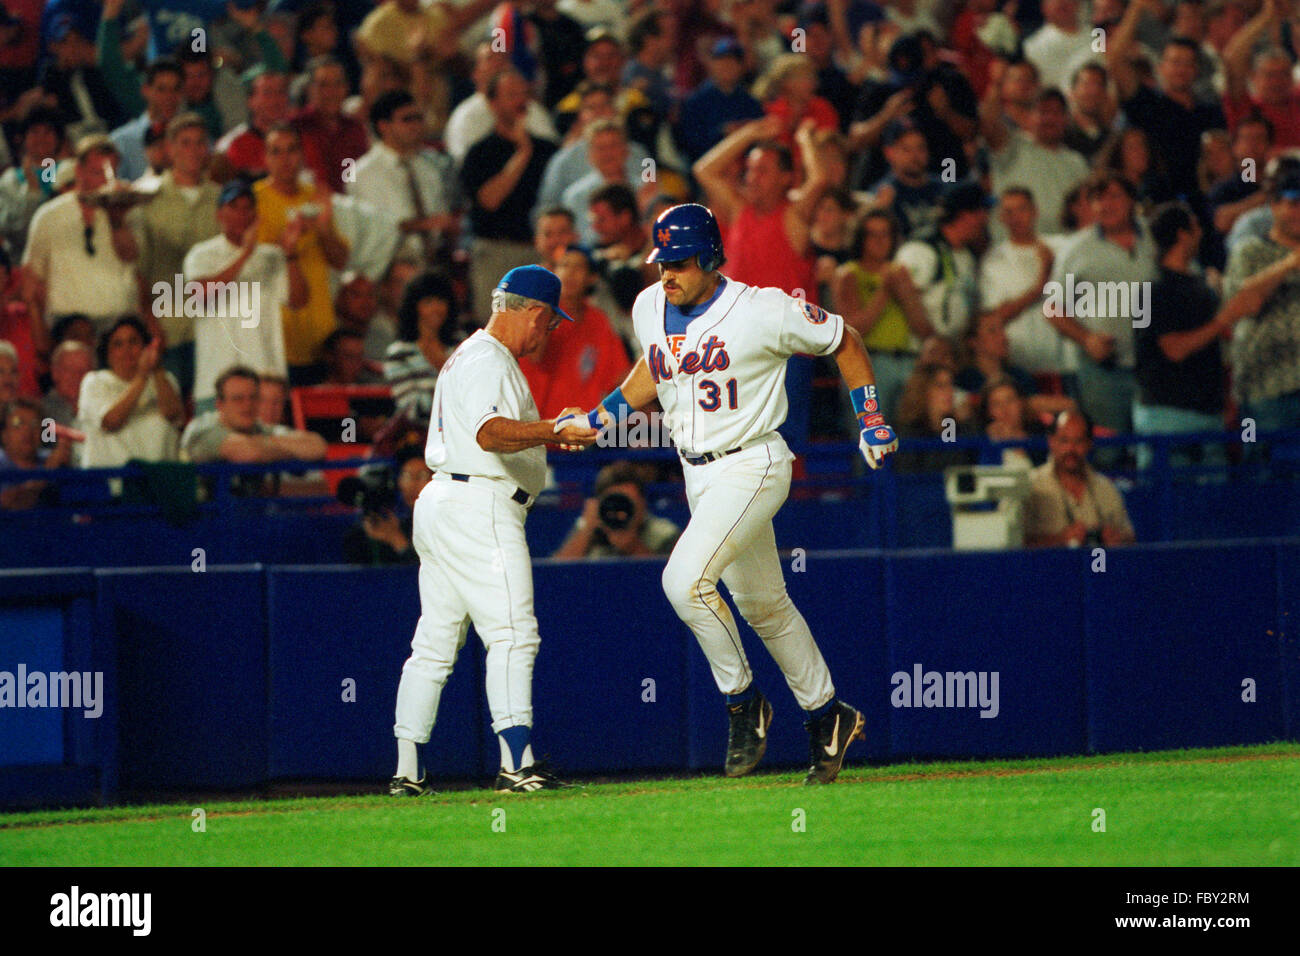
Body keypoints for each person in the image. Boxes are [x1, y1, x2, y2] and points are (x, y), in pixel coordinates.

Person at [557, 204, 898, 784]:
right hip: (698, 473)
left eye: (681, 261)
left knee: (684, 581)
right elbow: (653, 369)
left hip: (754, 462)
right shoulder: (647, 306)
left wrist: (870, 417)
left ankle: (744, 704)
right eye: (661, 261)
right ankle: (828, 716)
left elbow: (845, 338)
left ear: (712, 257)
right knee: (764, 604)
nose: (668, 273)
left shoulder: (762, 309)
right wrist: (600, 417)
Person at [390, 264, 599, 796]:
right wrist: (554, 428)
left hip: (445, 501)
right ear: (534, 311)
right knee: (512, 633)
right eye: (550, 322)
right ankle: (516, 764)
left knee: (434, 645)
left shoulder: (472, 354)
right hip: (477, 502)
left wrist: (550, 434)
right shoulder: (487, 358)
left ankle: (407, 771)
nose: (548, 333)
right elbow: (489, 434)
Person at [183, 177, 301, 414]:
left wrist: (290, 255)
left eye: (247, 208)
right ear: (219, 214)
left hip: (264, 380)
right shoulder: (201, 254)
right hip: (215, 381)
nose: (241, 214)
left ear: (256, 216)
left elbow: (297, 300)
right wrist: (245, 254)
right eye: (233, 207)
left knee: (269, 449)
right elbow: (200, 295)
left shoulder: (272, 255)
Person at [77, 317, 184, 469]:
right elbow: (110, 421)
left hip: (159, 482)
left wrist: (157, 369)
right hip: (109, 483)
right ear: (107, 353)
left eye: (133, 342)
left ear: (145, 347)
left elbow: (173, 415)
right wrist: (141, 378)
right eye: (118, 344)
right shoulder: (94, 382)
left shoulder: (165, 380)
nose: (127, 349)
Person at [1025, 409, 1137, 548]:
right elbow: (1017, 546)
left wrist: (1117, 539)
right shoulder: (1031, 484)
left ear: (1089, 444)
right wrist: (1060, 540)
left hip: (1098, 566)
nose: (1071, 449)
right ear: (1051, 442)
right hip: (1048, 568)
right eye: (1064, 440)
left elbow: (1131, 540)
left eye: (1079, 441)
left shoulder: (1105, 487)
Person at [181, 365, 328, 468]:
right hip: (202, 511)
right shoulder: (202, 428)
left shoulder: (259, 428)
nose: (247, 405)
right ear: (220, 405)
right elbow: (249, 453)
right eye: (238, 399)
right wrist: (288, 449)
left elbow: (317, 446)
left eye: (253, 397)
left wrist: (263, 442)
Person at [552, 460, 681, 558]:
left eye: (626, 502)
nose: (620, 511)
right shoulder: (589, 529)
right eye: (614, 502)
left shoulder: (664, 534)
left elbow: (672, 581)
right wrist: (586, 530)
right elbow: (554, 577)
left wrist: (633, 546)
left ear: (642, 503)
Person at [342, 445, 433, 566]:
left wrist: (397, 540)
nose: (413, 484)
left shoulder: (442, 522)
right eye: (406, 476)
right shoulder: (396, 523)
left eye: (422, 476)